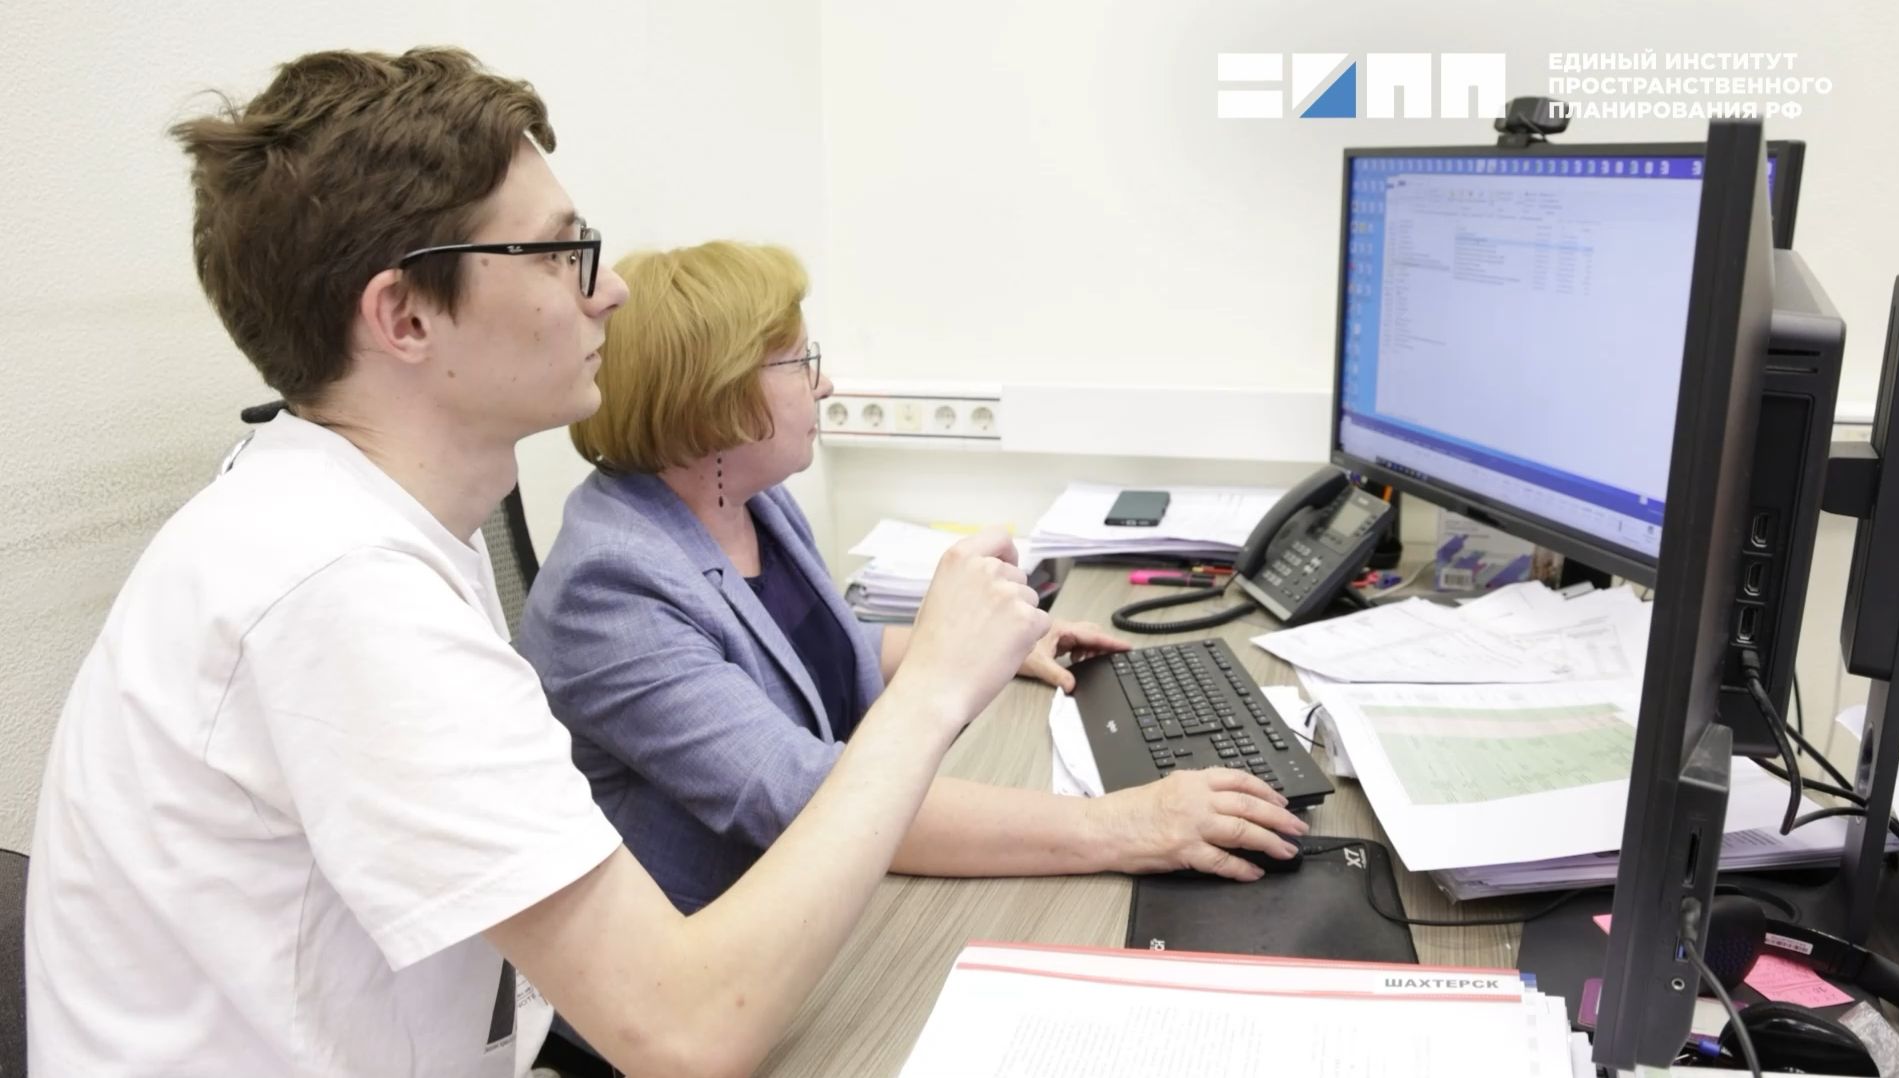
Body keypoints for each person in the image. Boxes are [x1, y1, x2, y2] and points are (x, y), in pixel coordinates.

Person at [25, 48, 1049, 1078]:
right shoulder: (342, 590)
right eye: (562, 254)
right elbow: (691, 1033)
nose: (612, 291)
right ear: (406, 316)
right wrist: (934, 688)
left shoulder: (363, 522)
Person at [517, 242, 1310, 925]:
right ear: (715, 395)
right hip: (723, 943)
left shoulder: (748, 500)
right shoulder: (610, 587)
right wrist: (1124, 825)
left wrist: (989, 646)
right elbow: (808, 801)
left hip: (831, 891)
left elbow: (806, 654)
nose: (825, 385)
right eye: (801, 362)